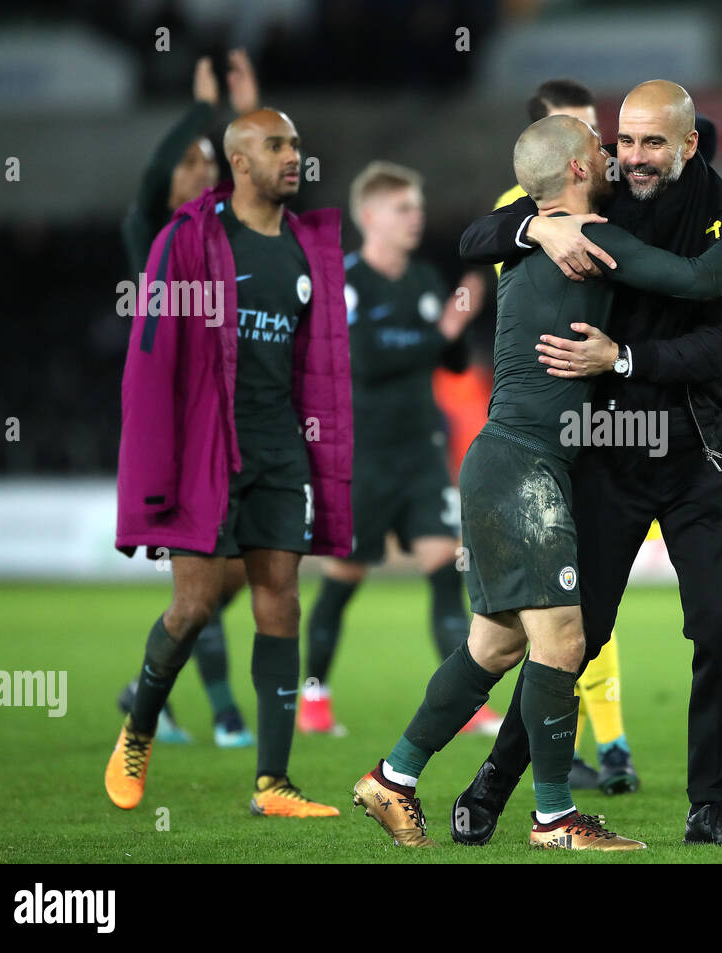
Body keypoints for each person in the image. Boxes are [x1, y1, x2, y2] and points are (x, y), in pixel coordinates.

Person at [349, 114, 722, 850]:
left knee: (495, 644)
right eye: (605, 150)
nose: (616, 157)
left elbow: (485, 232)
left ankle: (394, 777)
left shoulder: (545, 232)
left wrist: (536, 227)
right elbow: (704, 277)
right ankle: (553, 818)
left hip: (509, 458)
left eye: (637, 145)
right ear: (578, 170)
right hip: (527, 465)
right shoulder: (589, 235)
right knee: (563, 639)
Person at [107, 108, 353, 818]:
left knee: (281, 600)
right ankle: (140, 727)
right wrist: (154, 468)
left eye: (298, 145)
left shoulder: (309, 250)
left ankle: (272, 782)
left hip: (280, 448)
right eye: (277, 145)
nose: (293, 156)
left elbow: (320, 366)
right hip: (206, 451)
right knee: (192, 605)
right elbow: (150, 364)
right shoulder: (189, 240)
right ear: (239, 161)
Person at [297, 161, 490, 737]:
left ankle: (466, 705)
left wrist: (456, 332)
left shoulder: (426, 281)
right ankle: (315, 698)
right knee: (345, 575)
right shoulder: (345, 283)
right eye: (403, 208)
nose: (416, 218)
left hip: (421, 452)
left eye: (418, 208)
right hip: (362, 456)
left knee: (442, 566)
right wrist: (445, 333)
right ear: (369, 216)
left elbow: (451, 363)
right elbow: (368, 361)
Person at [490, 77, 639, 794]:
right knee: (552, 623)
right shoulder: (522, 214)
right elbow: (479, 237)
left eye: (596, 128)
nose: (601, 145)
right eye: (580, 132)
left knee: (571, 616)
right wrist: (538, 226)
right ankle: (560, 776)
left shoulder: (613, 203)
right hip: (541, 439)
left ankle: (599, 746)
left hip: (604, 436)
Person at [116, 50, 260, 749]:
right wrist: (204, 109)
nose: (205, 171)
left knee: (227, 584)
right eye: (191, 164)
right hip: (185, 429)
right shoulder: (152, 234)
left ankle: (145, 689)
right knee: (199, 595)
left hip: (237, 426)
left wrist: (246, 114)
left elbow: (256, 180)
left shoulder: (227, 234)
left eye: (212, 162)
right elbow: (152, 179)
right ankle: (224, 713)